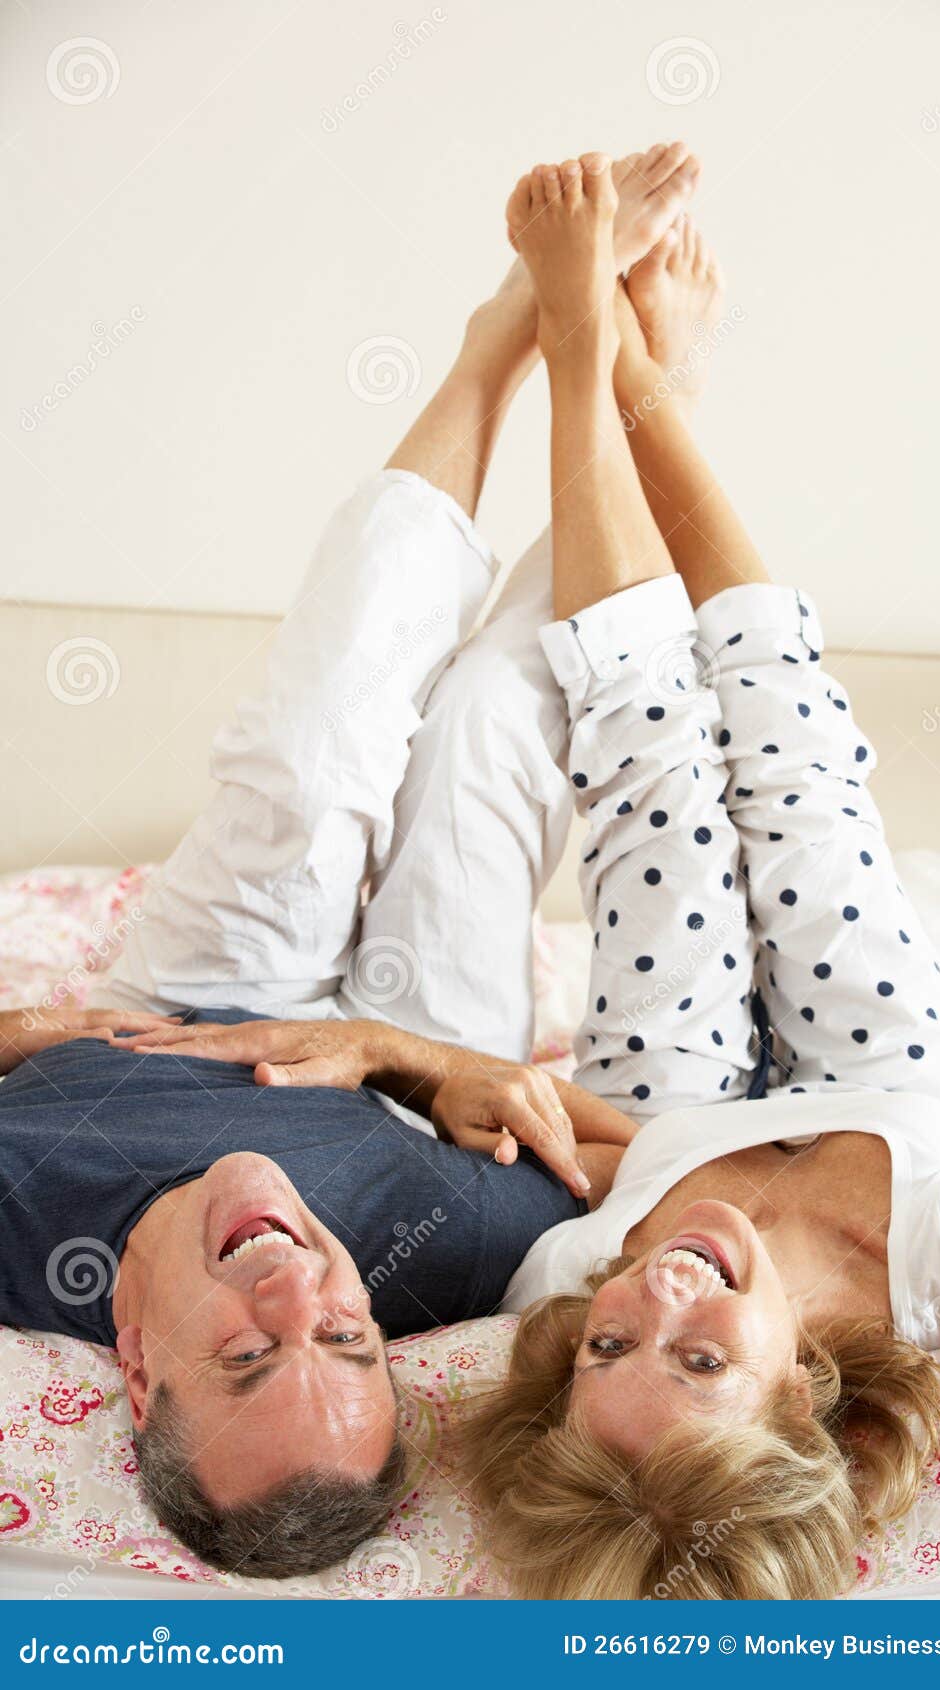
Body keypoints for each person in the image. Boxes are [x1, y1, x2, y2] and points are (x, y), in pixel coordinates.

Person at [0, 144, 702, 1579]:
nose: (296, 1282)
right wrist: (430, 1063)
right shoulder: (447, 1252)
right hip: (407, 1052)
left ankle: (503, 341)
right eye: (345, 1334)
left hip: (187, 1001)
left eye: (249, 1355)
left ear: (139, 1375)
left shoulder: (18, 1238)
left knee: (309, 778)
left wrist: (14, 1029)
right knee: (496, 720)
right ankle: (628, 386)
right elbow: (689, 1160)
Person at [433, 154, 940, 1600]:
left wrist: (485, 1098)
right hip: (903, 1104)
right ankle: (659, 382)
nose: (653, 1297)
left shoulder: (565, 1284)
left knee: (650, 770)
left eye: (612, 1347)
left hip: (682, 1112)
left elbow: (563, 1159)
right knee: (789, 761)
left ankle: (586, 348)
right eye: (701, 1353)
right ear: (800, 1397)